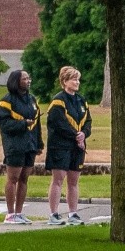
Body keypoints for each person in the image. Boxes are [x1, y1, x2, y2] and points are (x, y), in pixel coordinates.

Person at [44, 66, 89, 226]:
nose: (77, 82)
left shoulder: (81, 100)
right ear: (64, 82)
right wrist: (76, 136)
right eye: (73, 79)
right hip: (60, 146)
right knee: (58, 179)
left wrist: (84, 133)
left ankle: (73, 213)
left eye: (78, 79)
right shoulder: (58, 101)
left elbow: (87, 121)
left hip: (77, 147)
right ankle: (53, 214)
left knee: (74, 181)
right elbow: (59, 123)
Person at [0, 69, 42, 224]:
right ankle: (10, 214)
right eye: (25, 79)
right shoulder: (6, 102)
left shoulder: (32, 100)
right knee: (13, 178)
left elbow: (37, 123)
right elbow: (3, 123)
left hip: (30, 144)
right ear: (16, 81)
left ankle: (19, 213)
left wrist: (39, 143)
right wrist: (22, 123)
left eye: (29, 78)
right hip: (15, 144)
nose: (28, 81)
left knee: (24, 178)